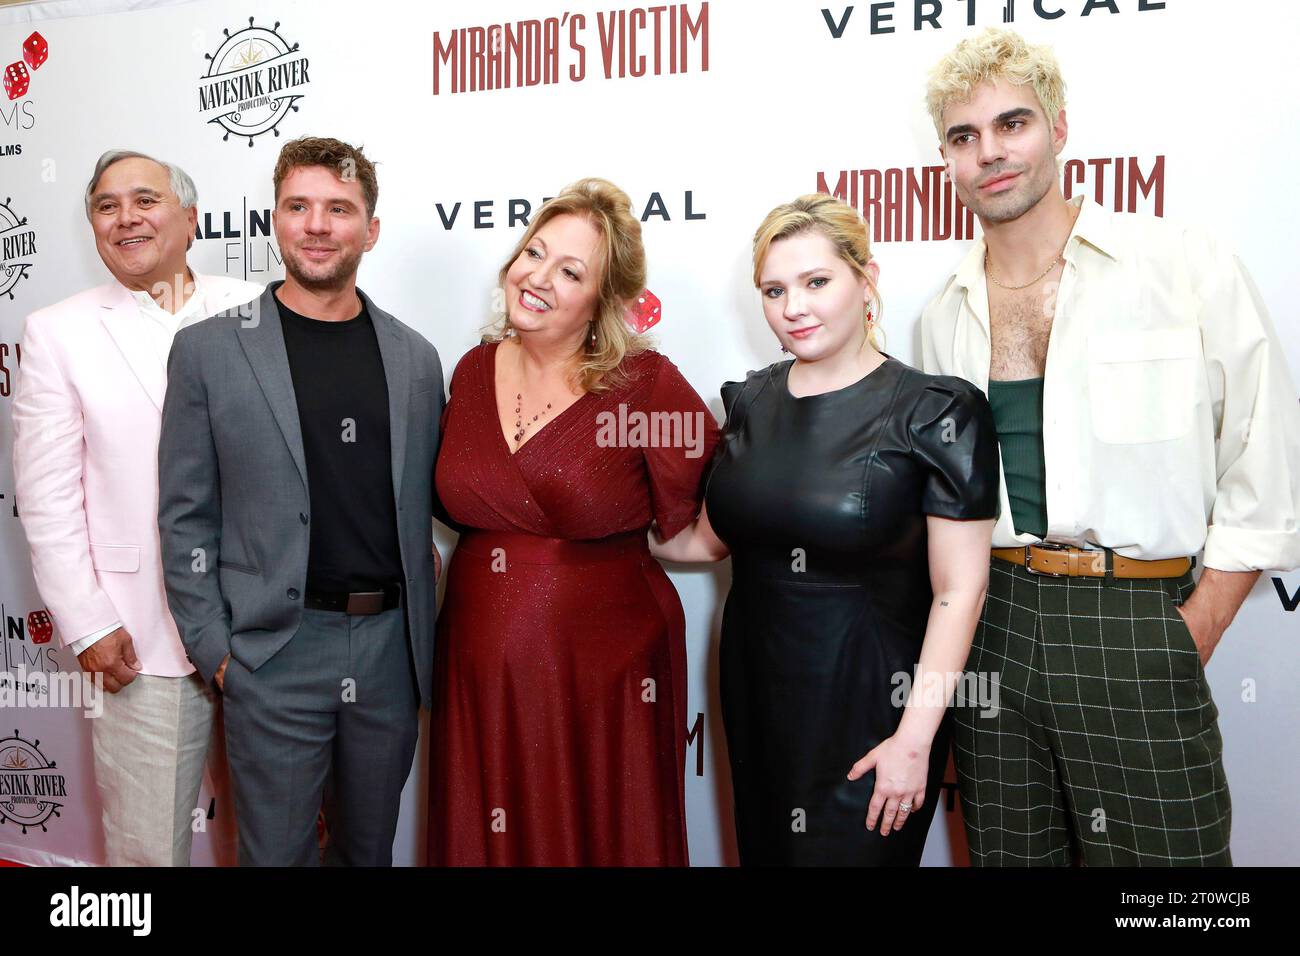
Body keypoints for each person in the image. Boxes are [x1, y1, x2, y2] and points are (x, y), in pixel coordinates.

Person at [920, 28, 1300, 866]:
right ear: (945, 158)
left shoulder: (1180, 264)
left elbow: (1265, 458)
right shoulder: (941, 310)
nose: (990, 152)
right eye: (963, 136)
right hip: (994, 623)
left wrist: (1195, 627)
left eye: (1011, 123)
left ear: (1059, 124)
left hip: (1135, 618)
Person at [653, 193, 999, 865]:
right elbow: (707, 539)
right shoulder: (750, 400)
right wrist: (588, 529)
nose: (794, 307)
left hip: (872, 713)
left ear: (867, 279)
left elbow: (962, 589)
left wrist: (914, 739)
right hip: (759, 701)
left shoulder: (935, 411)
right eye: (774, 290)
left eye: (817, 282)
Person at [158, 136, 444, 866]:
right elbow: (185, 511)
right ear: (275, 220)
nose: (318, 224)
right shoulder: (209, 351)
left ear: (370, 230)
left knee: (366, 853)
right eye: (299, 206)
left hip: (388, 654)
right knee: (277, 857)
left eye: (339, 208)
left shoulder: (416, 359)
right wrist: (217, 653)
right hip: (273, 652)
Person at [427, 177, 719, 866]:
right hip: (478, 657)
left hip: (603, 670)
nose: (538, 278)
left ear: (604, 301)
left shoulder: (643, 384)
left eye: (570, 271)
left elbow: (711, 508)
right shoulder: (470, 370)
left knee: (598, 834)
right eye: (534, 253)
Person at [11, 150, 260, 865]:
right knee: (147, 848)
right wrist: (87, 621)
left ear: (190, 218)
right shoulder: (57, 332)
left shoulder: (257, 311)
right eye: (106, 205)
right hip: (136, 640)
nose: (126, 218)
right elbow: (48, 494)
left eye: (145, 199)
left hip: (262, 632)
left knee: (276, 838)